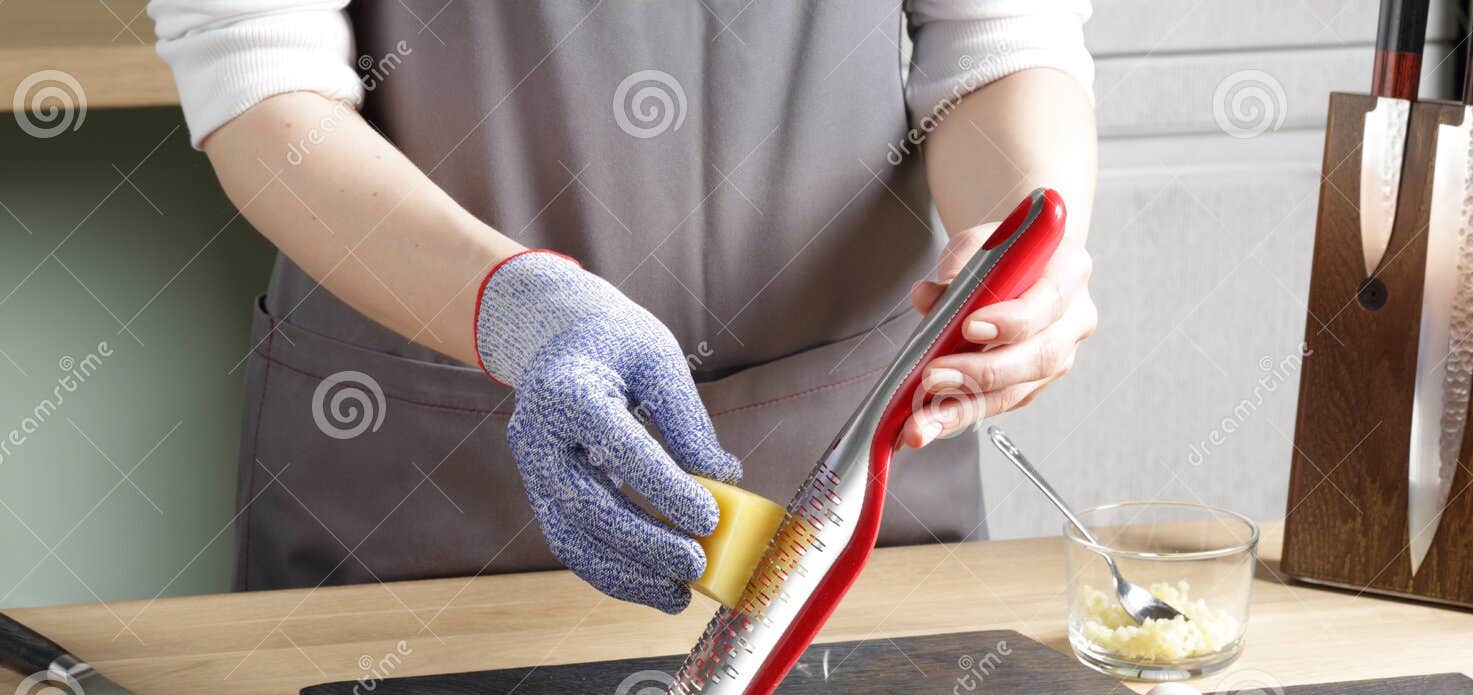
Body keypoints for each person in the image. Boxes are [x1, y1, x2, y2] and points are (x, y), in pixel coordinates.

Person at [149, 0, 1098, 612]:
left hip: (853, 469)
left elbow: (998, 38)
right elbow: (258, 71)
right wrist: (519, 311)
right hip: (423, 506)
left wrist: (1022, 253)